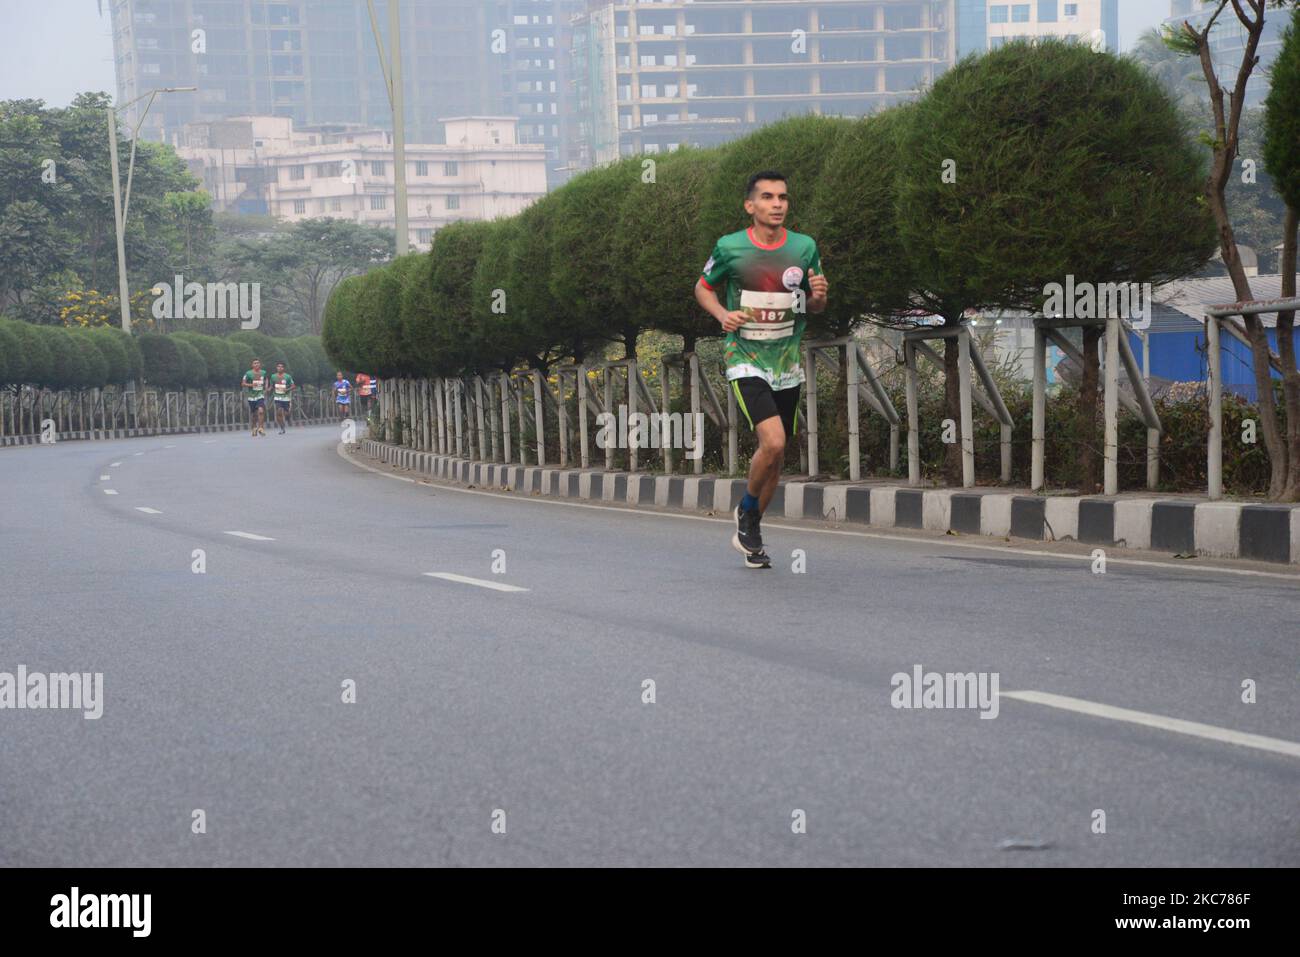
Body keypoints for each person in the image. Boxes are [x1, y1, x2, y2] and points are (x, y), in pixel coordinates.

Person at [693, 170, 828, 569]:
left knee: (778, 455)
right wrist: (722, 314)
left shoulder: (804, 247)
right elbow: (703, 286)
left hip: (786, 362)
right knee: (772, 441)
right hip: (745, 359)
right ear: (750, 206)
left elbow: (813, 304)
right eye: (767, 197)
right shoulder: (730, 247)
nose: (777, 204)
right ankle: (748, 511)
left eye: (783, 197)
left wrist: (818, 297)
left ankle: (751, 535)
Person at [242, 358, 269, 437]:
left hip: (260, 395)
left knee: (261, 411)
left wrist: (266, 387)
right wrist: (251, 385)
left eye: (258, 363)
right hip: (251, 396)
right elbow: (243, 383)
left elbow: (267, 379)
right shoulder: (248, 373)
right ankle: (254, 428)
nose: (257, 364)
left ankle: (260, 428)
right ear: (252, 365)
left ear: (260, 364)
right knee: (254, 414)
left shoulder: (263, 372)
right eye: (255, 363)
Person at [269, 361, 295, 434]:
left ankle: (288, 417)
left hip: (286, 397)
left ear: (283, 368)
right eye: (278, 366)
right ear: (276, 368)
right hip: (277, 397)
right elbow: (271, 386)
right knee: (279, 412)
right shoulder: (273, 376)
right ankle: (282, 427)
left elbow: (293, 386)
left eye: (281, 367)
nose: (280, 368)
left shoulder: (288, 377)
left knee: (286, 413)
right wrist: (268, 389)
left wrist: (287, 389)